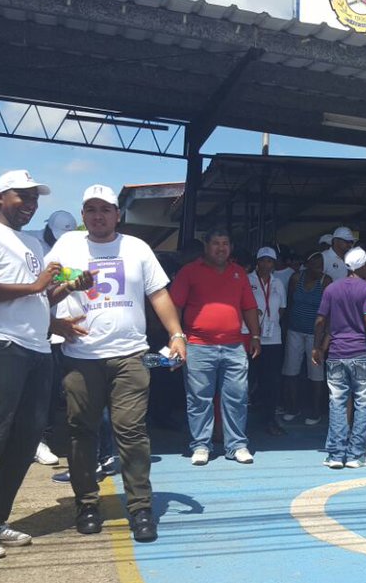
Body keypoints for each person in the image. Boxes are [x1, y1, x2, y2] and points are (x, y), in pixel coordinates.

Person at [0, 170, 82, 559]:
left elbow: (38, 298)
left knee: (25, 441)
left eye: (34, 199)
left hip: (36, 349)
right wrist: (36, 287)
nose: (30, 204)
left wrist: (65, 292)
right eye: (22, 197)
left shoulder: (30, 244)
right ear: (0, 197)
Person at [48, 184, 187, 543]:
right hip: (81, 356)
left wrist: (176, 334)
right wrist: (69, 284)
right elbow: (47, 288)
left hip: (129, 355)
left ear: (117, 214)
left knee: (132, 433)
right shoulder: (68, 246)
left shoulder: (136, 248)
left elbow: (158, 293)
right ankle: (87, 503)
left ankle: (140, 508)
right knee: (82, 433)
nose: (98, 215)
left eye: (105, 209)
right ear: (83, 215)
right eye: (91, 209)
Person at [169, 229, 261, 466]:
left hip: (234, 345)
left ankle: (237, 445)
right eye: (216, 243)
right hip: (198, 345)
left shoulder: (239, 272)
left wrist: (256, 335)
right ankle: (201, 445)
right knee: (199, 399)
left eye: (225, 243)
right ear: (206, 246)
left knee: (237, 398)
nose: (221, 248)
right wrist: (175, 336)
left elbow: (249, 307)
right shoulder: (189, 272)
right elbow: (174, 306)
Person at [313, 247, 366, 468]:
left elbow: (320, 320)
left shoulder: (332, 289)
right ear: (362, 266)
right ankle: (355, 455)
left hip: (336, 353)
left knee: (337, 403)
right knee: (363, 403)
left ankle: (335, 454)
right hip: (361, 353)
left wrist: (317, 347)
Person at [34, 209, 79, 467]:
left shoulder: (75, 246)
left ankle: (49, 436)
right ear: (48, 228)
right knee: (43, 391)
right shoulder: (31, 241)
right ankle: (38, 440)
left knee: (61, 391)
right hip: (39, 328)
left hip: (65, 330)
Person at [282, 251, 331, 423]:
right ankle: (292, 407)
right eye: (316, 266)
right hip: (294, 330)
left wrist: (324, 336)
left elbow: (329, 310)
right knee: (290, 370)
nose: (319, 269)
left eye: (321, 266)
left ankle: (315, 411)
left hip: (315, 334)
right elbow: (288, 304)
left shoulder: (326, 281)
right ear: (308, 264)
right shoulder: (296, 278)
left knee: (316, 374)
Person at [248, 246, 287, 436]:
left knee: (271, 381)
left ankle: (269, 419)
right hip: (250, 336)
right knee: (247, 379)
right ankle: (242, 421)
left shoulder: (278, 283)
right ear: (257, 261)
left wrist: (270, 322)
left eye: (270, 261)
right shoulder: (248, 280)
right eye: (263, 260)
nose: (266, 264)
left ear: (274, 264)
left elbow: (282, 308)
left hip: (273, 338)